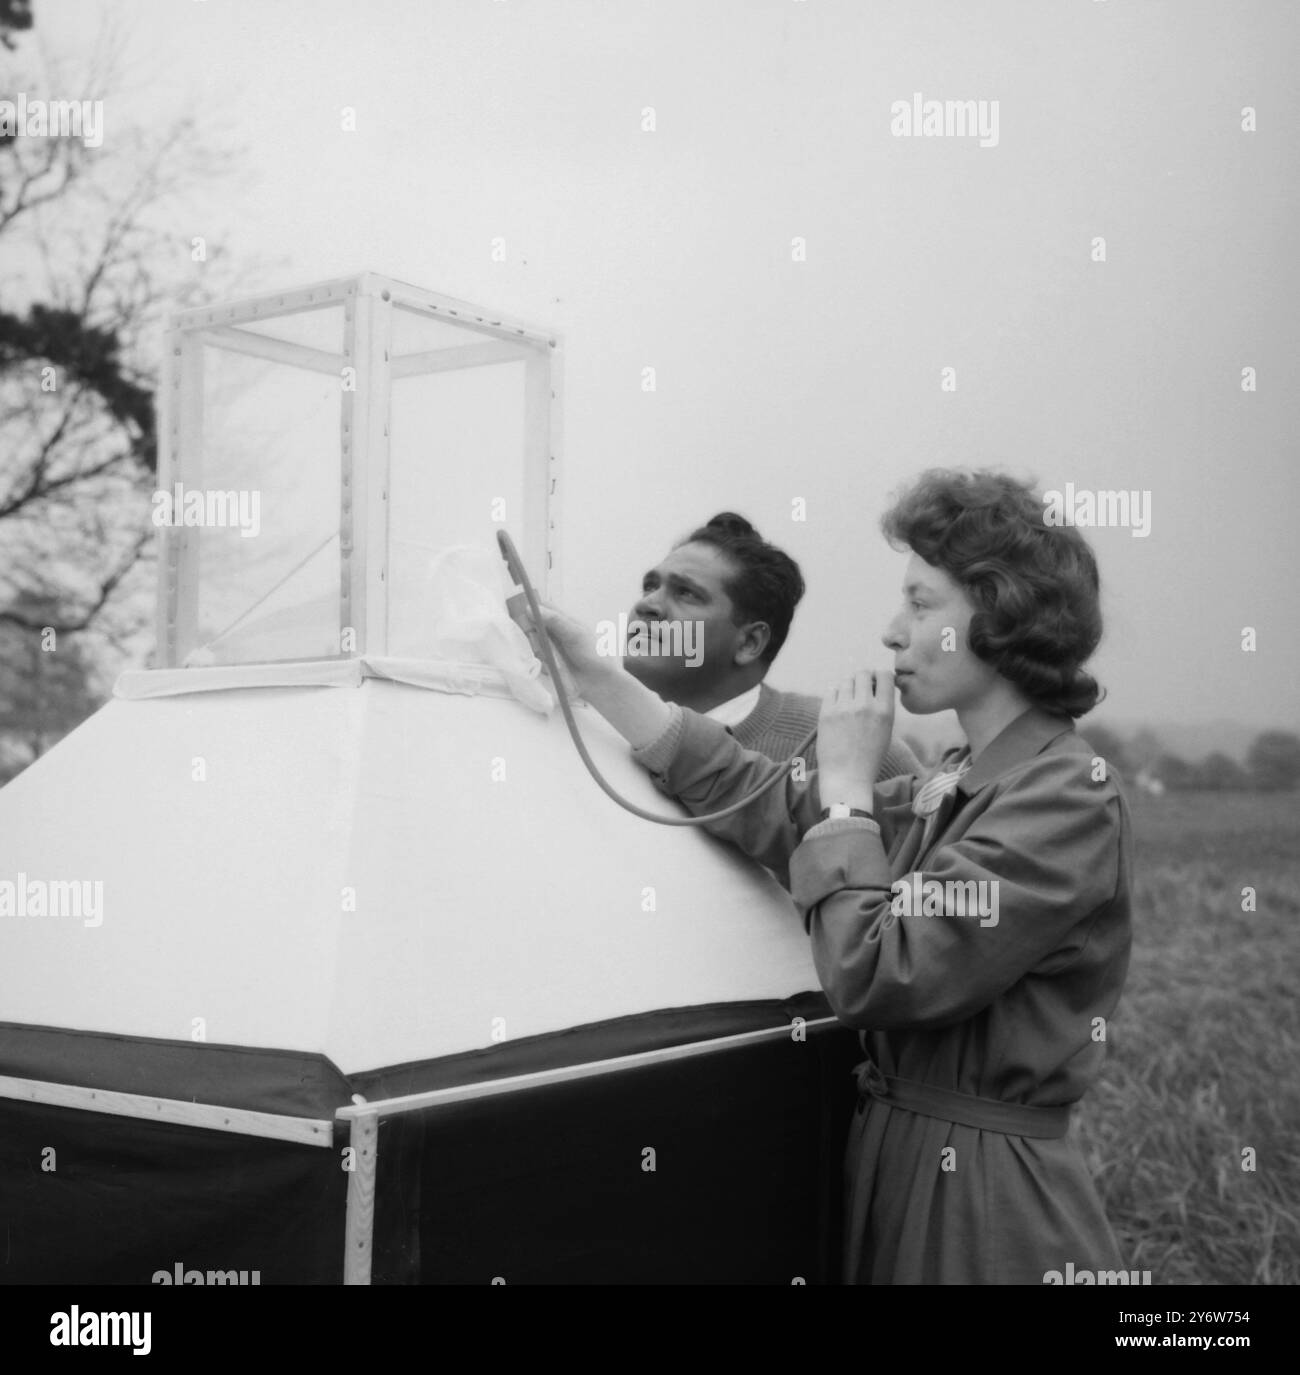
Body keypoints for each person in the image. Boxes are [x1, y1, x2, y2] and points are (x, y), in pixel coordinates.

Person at [538, 469, 1133, 1285]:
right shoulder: (959, 781)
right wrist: (596, 675)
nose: (892, 633)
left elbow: (882, 974)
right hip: (897, 1155)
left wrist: (849, 790)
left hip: (985, 1197)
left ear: (999, 618)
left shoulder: (1064, 796)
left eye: (922, 605)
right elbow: (767, 806)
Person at [624, 511, 918, 778]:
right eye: (650, 586)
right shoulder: (599, 730)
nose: (647, 604)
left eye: (686, 593)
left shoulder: (848, 747)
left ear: (749, 643)